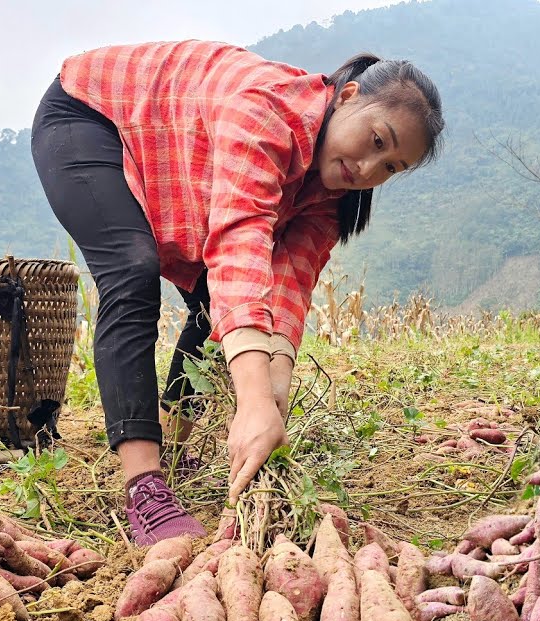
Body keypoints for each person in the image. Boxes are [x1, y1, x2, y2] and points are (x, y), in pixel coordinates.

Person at [30, 40, 444, 546]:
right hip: (90, 114)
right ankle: (143, 485)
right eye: (377, 141)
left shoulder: (333, 196)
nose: (369, 169)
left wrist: (273, 390)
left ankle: (174, 445)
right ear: (349, 96)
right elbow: (239, 241)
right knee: (131, 268)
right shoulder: (265, 109)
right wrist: (249, 402)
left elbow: (287, 286)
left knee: (217, 307)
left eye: (391, 168)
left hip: (159, 139)